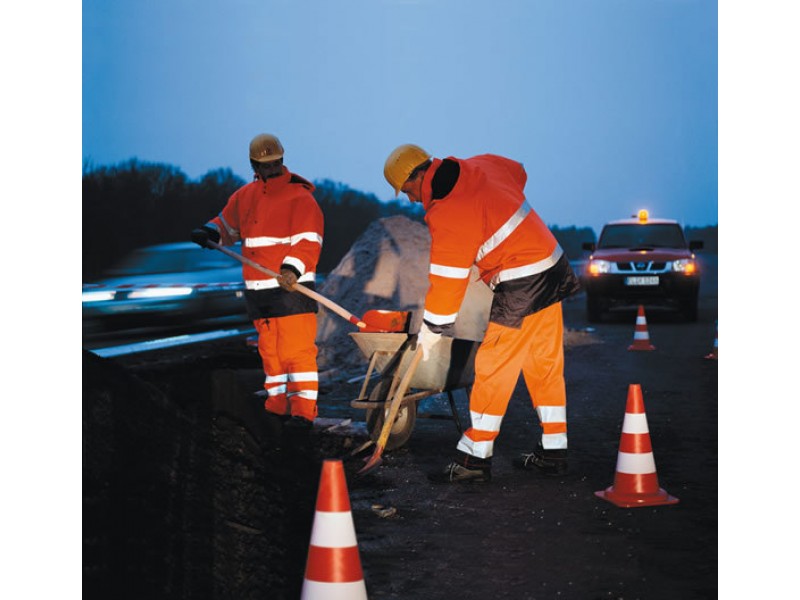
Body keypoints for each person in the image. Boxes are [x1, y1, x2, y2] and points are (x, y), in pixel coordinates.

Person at [383, 144, 581, 483]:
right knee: (542, 363)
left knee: (493, 366)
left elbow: (448, 280)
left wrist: (433, 329)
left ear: (418, 176)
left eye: (407, 190)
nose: (410, 199)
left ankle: (474, 459)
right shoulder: (481, 165)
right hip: (552, 265)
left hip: (522, 281)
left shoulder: (447, 212)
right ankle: (553, 449)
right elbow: (519, 171)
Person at [191, 133, 324, 431]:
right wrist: (209, 231)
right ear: (254, 164)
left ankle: (302, 415)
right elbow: (227, 225)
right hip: (258, 291)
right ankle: (276, 408)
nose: (272, 169)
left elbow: (309, 241)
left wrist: (293, 269)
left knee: (297, 354)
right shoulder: (245, 196)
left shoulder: (300, 198)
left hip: (292, 289)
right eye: (265, 164)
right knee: (271, 355)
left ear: (283, 159)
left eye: (276, 163)